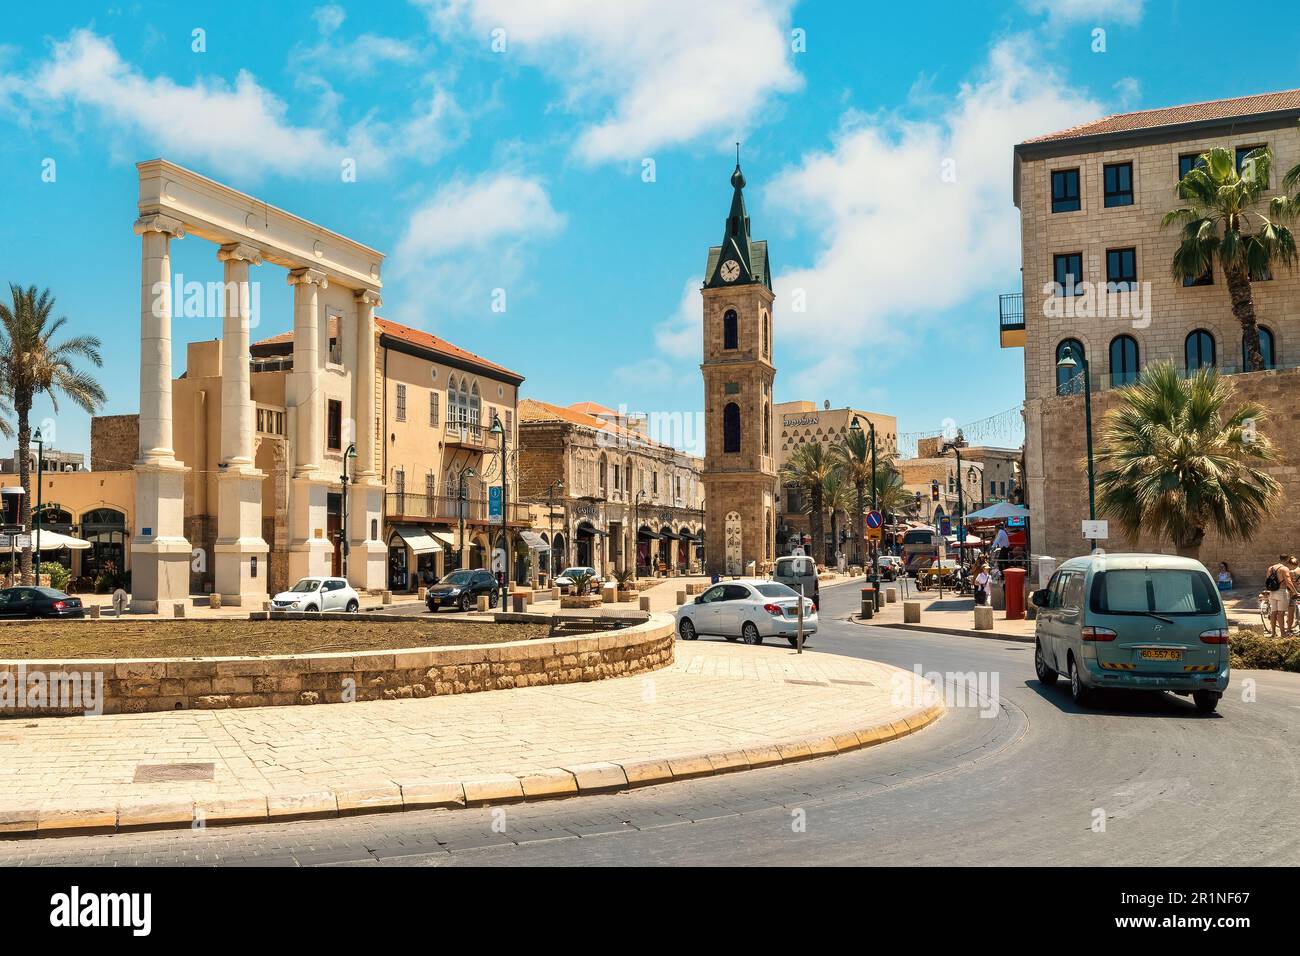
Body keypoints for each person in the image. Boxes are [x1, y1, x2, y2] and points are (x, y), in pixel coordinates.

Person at [1264, 555, 1295, 637]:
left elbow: (1268, 580)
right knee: (1281, 614)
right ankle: (1283, 633)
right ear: (1287, 560)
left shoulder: (1270, 568)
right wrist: (1294, 591)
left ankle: (1273, 633)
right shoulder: (1284, 569)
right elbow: (1288, 581)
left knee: (1273, 613)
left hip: (1272, 592)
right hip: (1281, 592)